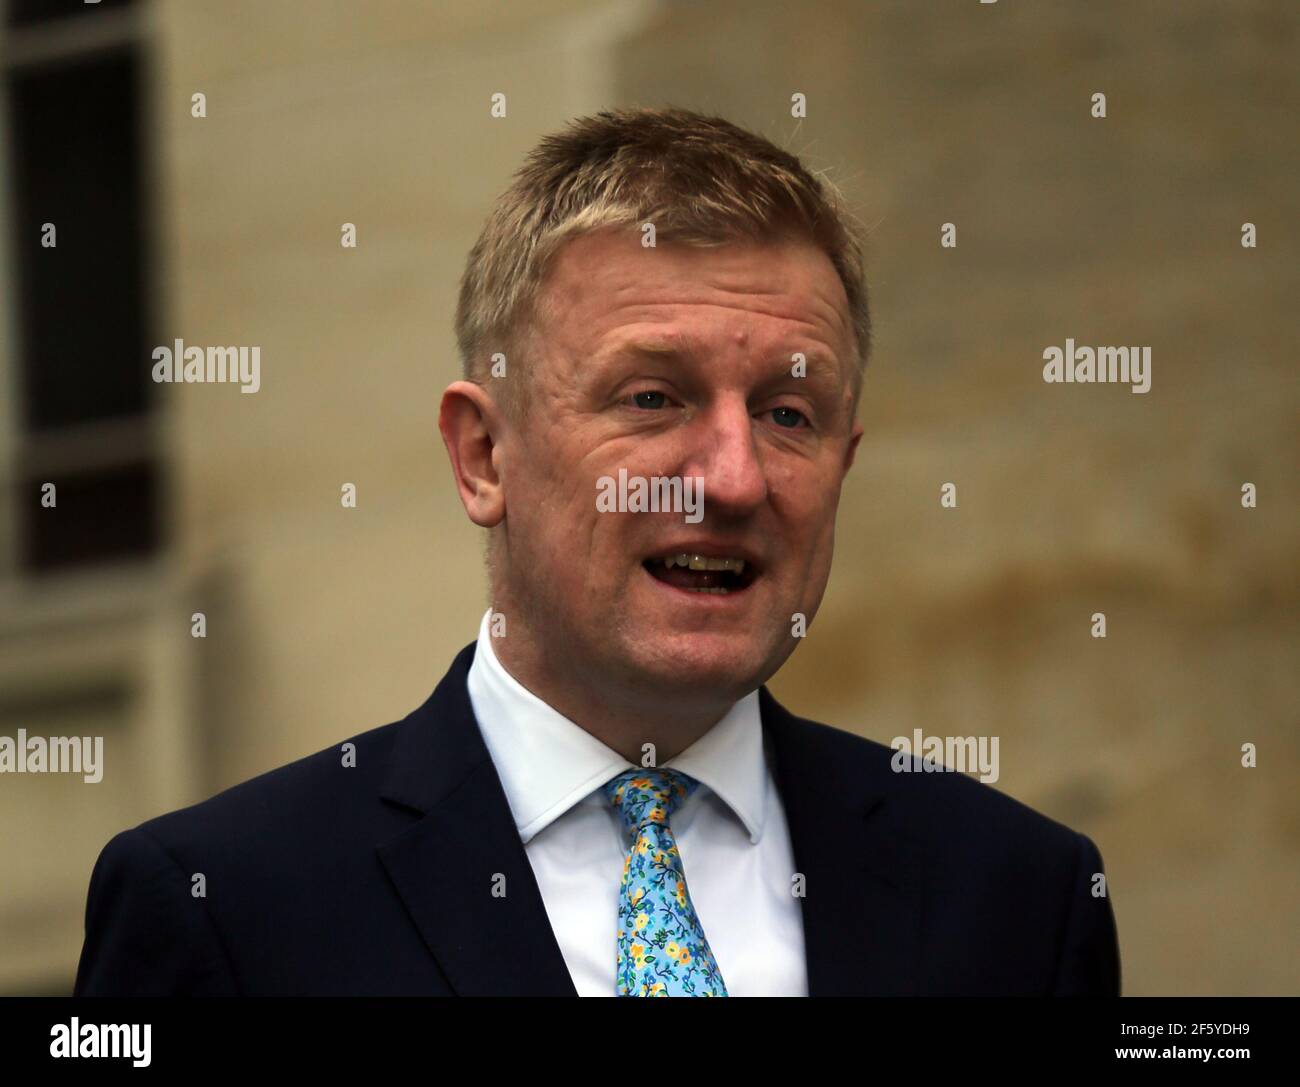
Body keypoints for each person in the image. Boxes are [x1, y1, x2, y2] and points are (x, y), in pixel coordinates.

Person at [74, 107, 1120, 997]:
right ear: (483, 455)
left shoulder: (1016, 898)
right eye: (652, 397)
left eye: (788, 413)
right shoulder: (228, 909)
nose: (732, 477)